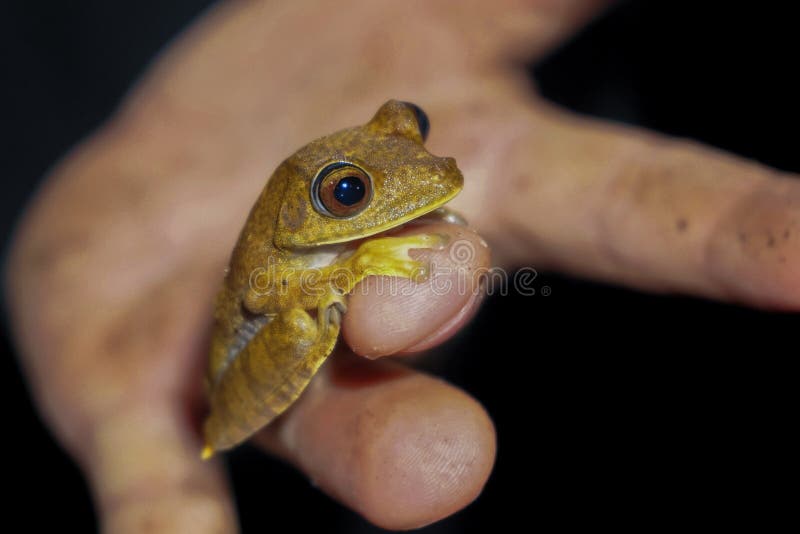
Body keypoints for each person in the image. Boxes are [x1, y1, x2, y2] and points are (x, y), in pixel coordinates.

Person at [4, 1, 797, 532]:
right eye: (349, 192)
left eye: (408, 128)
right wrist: (348, 270)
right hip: (249, 337)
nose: (410, 152)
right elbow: (264, 289)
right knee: (302, 326)